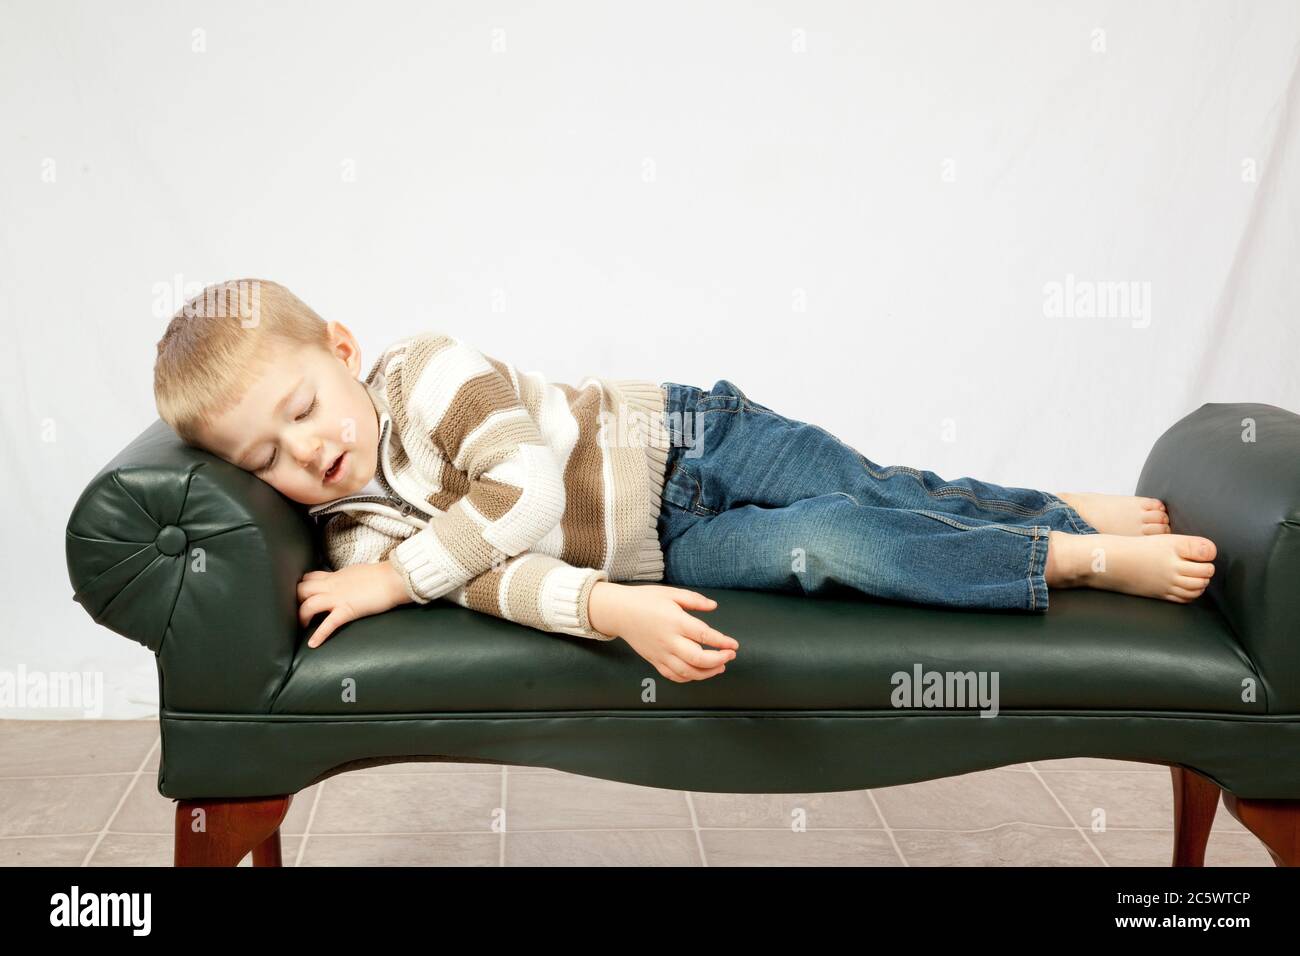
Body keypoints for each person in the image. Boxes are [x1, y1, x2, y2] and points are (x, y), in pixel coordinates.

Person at [153, 279, 1217, 684]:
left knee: (882, 485)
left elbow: (519, 490)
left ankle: (1069, 534)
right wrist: (609, 605)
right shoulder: (353, 533)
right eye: (262, 461)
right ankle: (1063, 541)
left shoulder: (429, 372)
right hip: (660, 547)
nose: (303, 453)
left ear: (341, 347)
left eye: (301, 411)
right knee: (845, 539)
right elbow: (486, 580)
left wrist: (397, 578)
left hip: (688, 439)